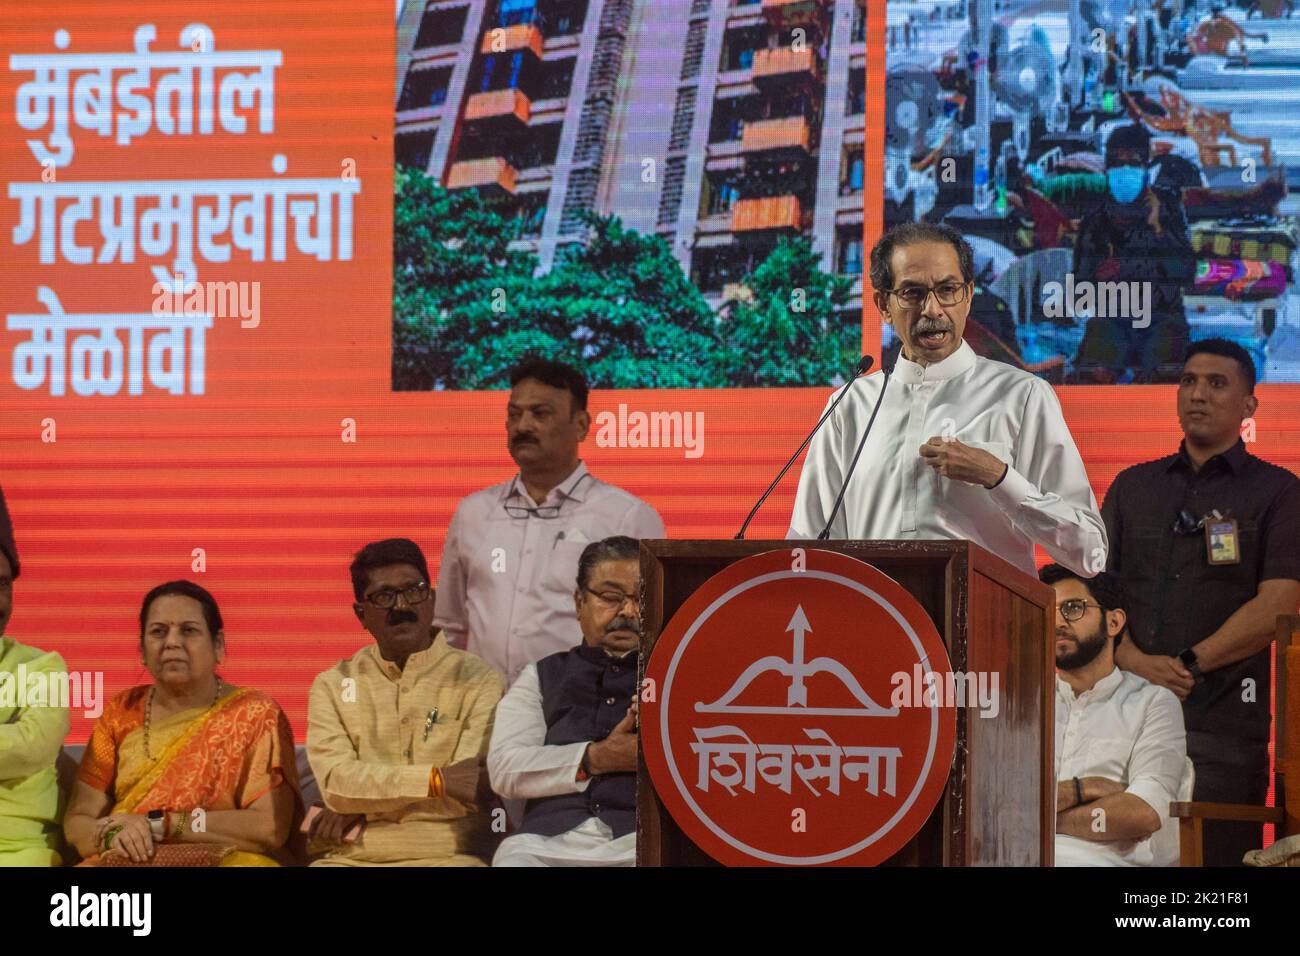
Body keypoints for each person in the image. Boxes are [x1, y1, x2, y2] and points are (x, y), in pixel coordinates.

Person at [789, 221, 1107, 578]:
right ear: (883, 304)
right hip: (877, 622)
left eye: (947, 290)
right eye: (912, 293)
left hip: (989, 625)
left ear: (968, 296)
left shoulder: (1022, 395)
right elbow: (808, 547)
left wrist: (1000, 479)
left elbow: (1089, 553)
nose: (932, 309)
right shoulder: (847, 405)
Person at [1102, 339, 1300, 866]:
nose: (1198, 394)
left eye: (1217, 383)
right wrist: (1134, 661)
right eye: (1188, 381)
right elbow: (1097, 597)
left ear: (1250, 406)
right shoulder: (1132, 487)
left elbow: (1280, 603)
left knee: (1214, 882)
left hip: (1222, 727)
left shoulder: (1279, 492)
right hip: (1122, 717)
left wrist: (1187, 664)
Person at [436, 357, 664, 687]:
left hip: (579, 720)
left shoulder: (627, 517)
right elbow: (450, 628)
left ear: (581, 425)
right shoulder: (473, 513)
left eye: (540, 414)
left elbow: (651, 633)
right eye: (514, 415)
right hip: (483, 719)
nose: (522, 426)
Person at [63, 581, 303, 866]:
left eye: (188, 630)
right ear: (141, 648)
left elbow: (269, 827)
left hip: (227, 859)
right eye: (158, 631)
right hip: (130, 860)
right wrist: (113, 833)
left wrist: (161, 824)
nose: (172, 642)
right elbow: (78, 821)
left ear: (218, 645)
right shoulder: (120, 712)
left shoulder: (255, 714)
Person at [307, 538, 502, 866]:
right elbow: (336, 786)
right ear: (361, 614)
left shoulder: (478, 680)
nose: (401, 606)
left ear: (432, 599)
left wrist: (360, 806)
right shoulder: (334, 685)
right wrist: (437, 781)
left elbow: (468, 791)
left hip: (447, 855)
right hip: (351, 859)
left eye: (414, 590)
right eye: (384, 596)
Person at [488, 536, 641, 867]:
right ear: (578, 602)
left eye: (641, 599)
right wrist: (593, 758)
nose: (628, 611)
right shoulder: (542, 676)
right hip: (545, 844)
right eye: (612, 597)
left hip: (640, 842)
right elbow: (505, 768)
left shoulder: (674, 677)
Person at [1042, 564, 1187, 866]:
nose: (1057, 622)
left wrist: (1046, 813)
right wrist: (1090, 788)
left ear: (1114, 622)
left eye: (1073, 608)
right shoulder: (1024, 701)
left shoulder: (1153, 703)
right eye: (1049, 610)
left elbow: (1144, 813)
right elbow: (997, 806)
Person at [1072, 122, 1195, 383]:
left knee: (1164, 380)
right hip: (1112, 316)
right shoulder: (1096, 217)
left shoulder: (1168, 209)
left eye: (1134, 162)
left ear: (1146, 169)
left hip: (1162, 317)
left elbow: (1186, 274)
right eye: (1117, 164)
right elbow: (1080, 285)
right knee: (1091, 378)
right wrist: (1098, 280)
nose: (1125, 170)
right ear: (1107, 169)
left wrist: (1158, 228)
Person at [0, 524, 69, 866]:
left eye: (3, 585)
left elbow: (31, 747)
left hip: (20, 850)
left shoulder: (44, 667)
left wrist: (19, 741)